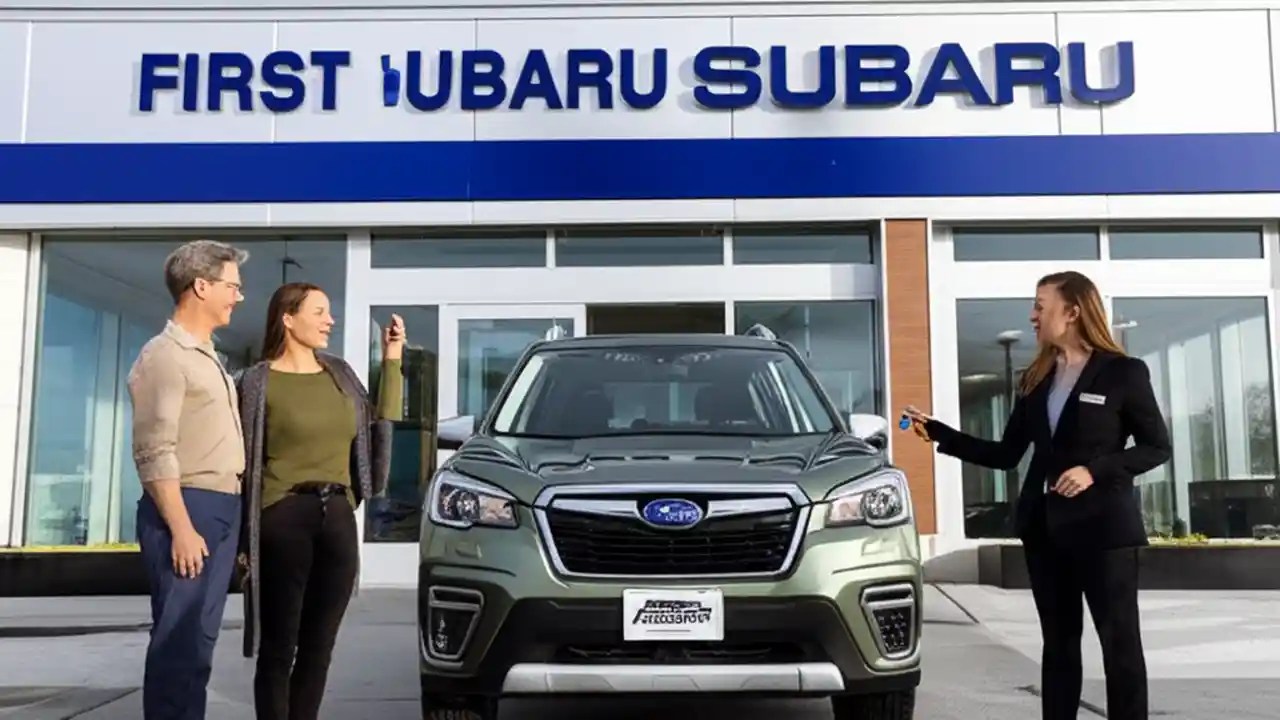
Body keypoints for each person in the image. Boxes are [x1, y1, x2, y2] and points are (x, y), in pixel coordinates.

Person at [904, 270, 1170, 720]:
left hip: (1105, 531)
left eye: (1040, 305)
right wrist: (940, 434)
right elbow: (1007, 454)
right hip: (1047, 532)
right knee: (1059, 646)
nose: (1032, 315)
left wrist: (1094, 471)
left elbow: (1156, 447)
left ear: (1072, 311)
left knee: (1120, 646)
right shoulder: (1035, 378)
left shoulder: (1123, 372)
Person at [235, 282, 403, 720]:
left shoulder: (340, 374)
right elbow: (240, 457)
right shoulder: (257, 382)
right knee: (279, 645)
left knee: (319, 645)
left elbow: (377, 423)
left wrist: (392, 361)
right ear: (287, 319)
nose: (330, 320)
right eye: (320, 311)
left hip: (338, 517)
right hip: (282, 515)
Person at [127, 239, 249, 720]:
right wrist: (180, 527)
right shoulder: (164, 356)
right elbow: (154, 449)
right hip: (187, 508)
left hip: (220, 506)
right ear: (201, 286)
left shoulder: (205, 357)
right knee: (178, 644)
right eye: (231, 286)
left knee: (198, 644)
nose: (238, 296)